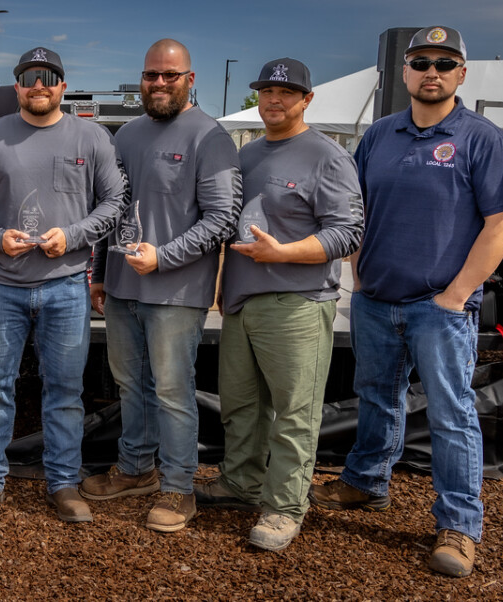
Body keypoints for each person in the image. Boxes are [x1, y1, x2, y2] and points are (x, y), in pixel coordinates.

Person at [309, 26, 503, 578]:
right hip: (377, 299)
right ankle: (366, 483)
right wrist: (359, 272)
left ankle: (458, 523)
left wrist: (457, 295)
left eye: (444, 63)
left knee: (452, 415)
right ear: (404, 72)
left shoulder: (482, 138)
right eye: (422, 62)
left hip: (441, 306)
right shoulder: (379, 136)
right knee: (377, 397)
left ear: (461, 74)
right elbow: (354, 212)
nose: (433, 72)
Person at [0, 47, 127, 523]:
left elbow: (113, 203)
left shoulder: (91, 137)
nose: (39, 84)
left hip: (66, 286)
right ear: (18, 87)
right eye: (30, 77)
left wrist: (72, 235)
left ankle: (63, 482)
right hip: (0, 284)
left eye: (49, 76)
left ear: (63, 86)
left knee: (65, 391)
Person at [198, 58, 363, 551]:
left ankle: (285, 506)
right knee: (242, 404)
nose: (275, 100)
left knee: (295, 411)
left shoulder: (327, 156)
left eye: (287, 93)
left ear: (306, 100)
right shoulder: (247, 157)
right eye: (267, 91)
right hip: (243, 303)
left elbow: (347, 231)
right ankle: (242, 483)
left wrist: (284, 254)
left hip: (296, 303)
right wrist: (225, 283)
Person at [83, 39, 241, 534]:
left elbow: (222, 218)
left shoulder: (209, 137)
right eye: (152, 75)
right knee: (131, 386)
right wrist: (103, 274)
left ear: (190, 80)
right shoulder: (125, 134)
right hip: (125, 288)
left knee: (173, 390)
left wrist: (166, 256)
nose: (159, 83)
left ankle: (178, 487)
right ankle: (136, 470)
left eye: (170, 76)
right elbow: (112, 212)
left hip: (176, 292)